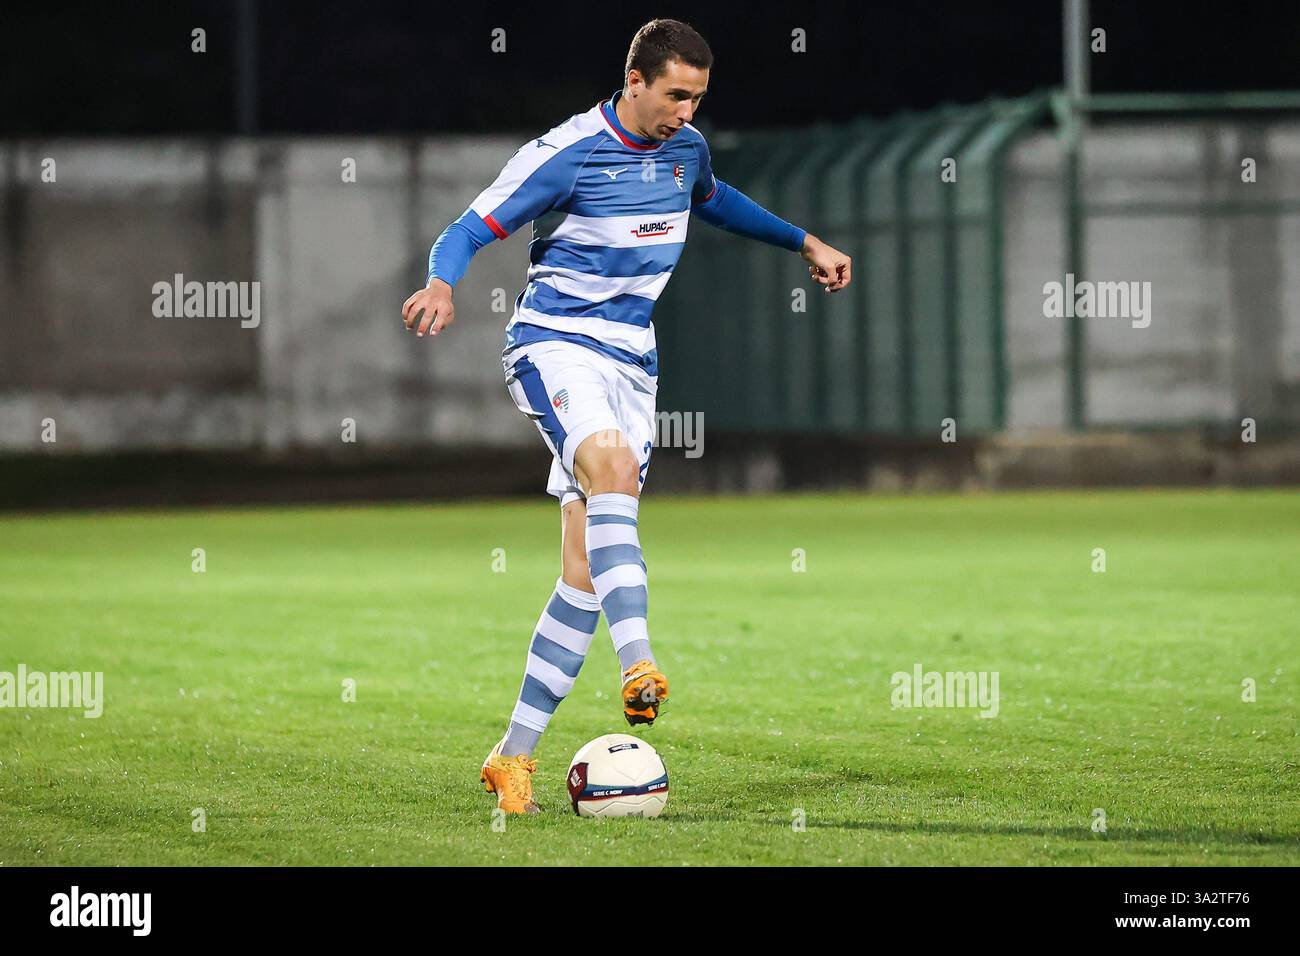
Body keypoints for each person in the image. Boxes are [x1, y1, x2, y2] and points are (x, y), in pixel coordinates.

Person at [401, 18, 852, 814]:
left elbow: (714, 201)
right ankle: (639, 663)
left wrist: (802, 240)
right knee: (607, 468)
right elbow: (469, 228)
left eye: (699, 97)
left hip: (632, 366)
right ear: (634, 80)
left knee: (582, 570)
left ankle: (512, 757)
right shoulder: (569, 151)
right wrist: (442, 285)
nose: (687, 110)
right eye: (676, 94)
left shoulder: (688, 149)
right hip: (554, 346)